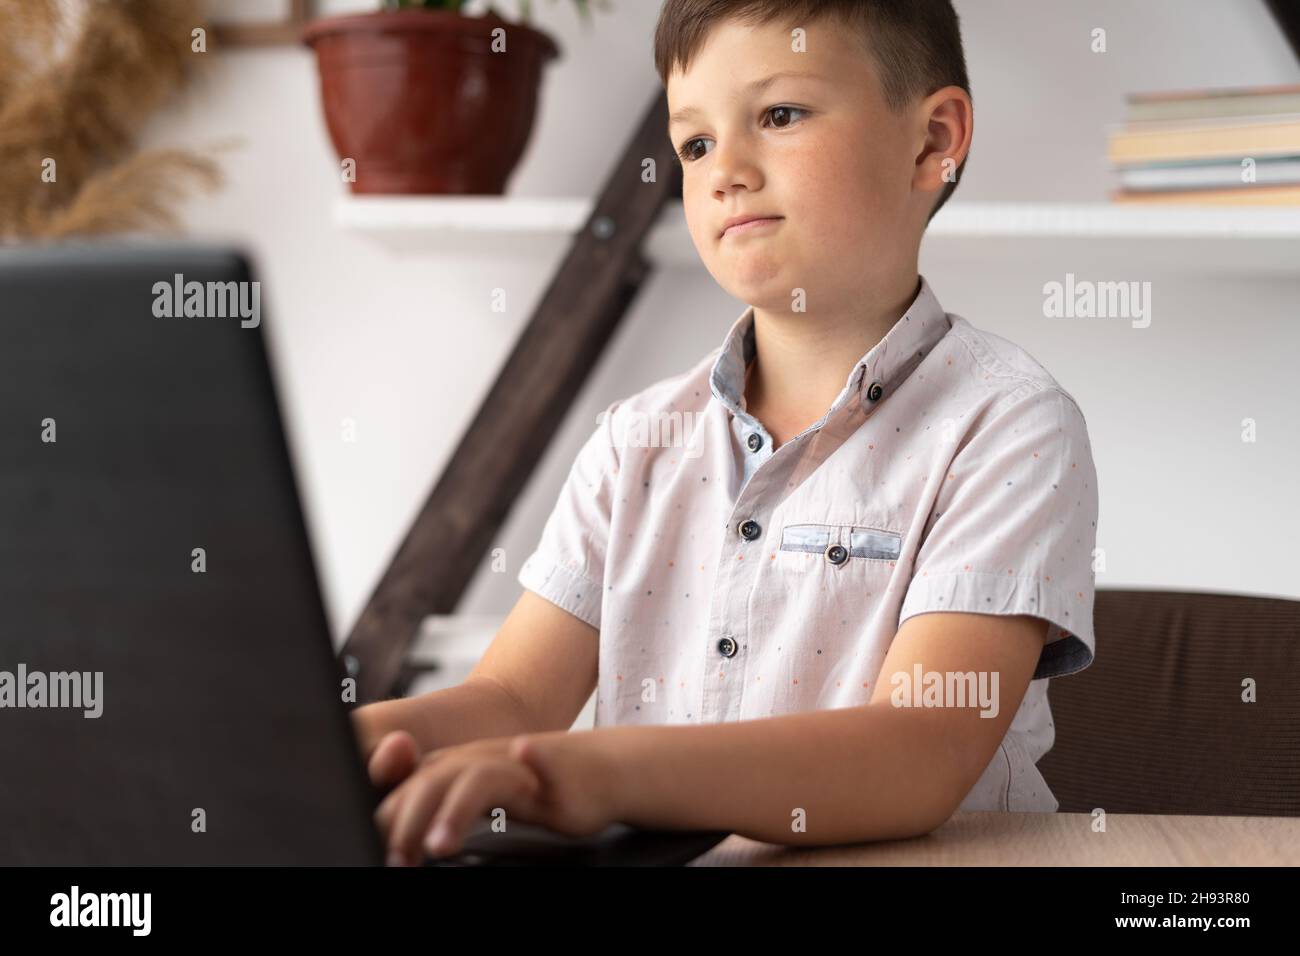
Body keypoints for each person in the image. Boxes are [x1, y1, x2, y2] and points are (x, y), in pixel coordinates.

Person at [358, 0, 1100, 866]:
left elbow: (920, 749)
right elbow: (515, 701)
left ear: (933, 141)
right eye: (695, 144)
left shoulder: (1008, 424)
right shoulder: (634, 442)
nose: (725, 172)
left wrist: (599, 770)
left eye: (780, 115)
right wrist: (329, 743)